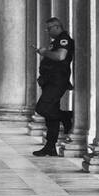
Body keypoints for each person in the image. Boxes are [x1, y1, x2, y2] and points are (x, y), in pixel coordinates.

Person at [32, 16, 74, 157]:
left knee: (42, 108)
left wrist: (44, 52)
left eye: (49, 28)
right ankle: (50, 147)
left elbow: (61, 56)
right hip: (49, 81)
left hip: (57, 81)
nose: (47, 31)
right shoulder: (55, 41)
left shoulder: (64, 39)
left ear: (57, 27)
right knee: (51, 117)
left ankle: (67, 116)